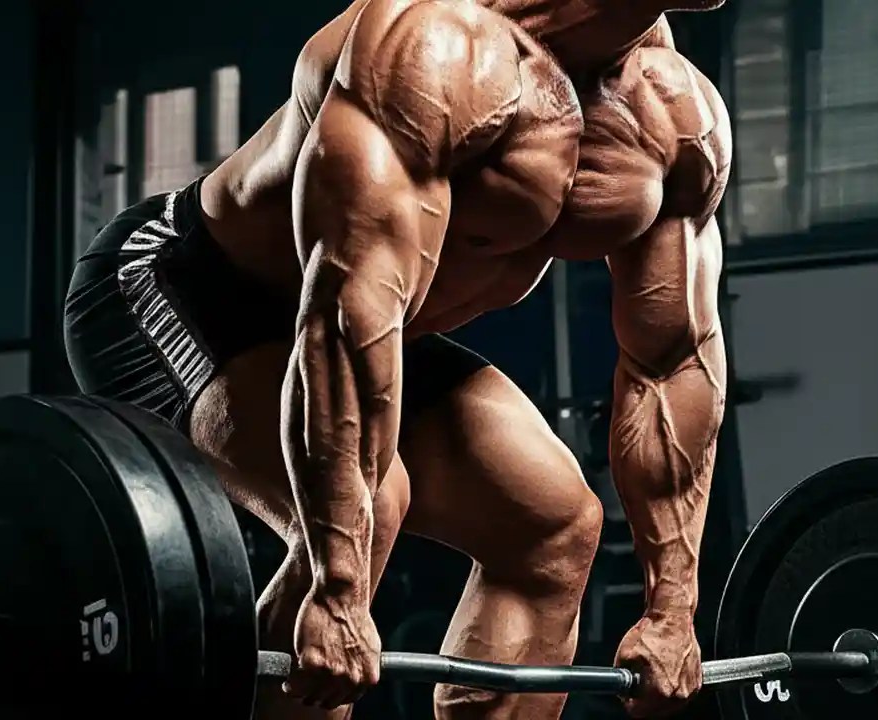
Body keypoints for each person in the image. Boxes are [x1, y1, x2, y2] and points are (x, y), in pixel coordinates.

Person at [63, 0, 731, 717]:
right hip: (181, 287)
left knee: (554, 524)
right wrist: (335, 591)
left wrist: (672, 612)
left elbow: (673, 363)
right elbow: (346, 314)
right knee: (368, 507)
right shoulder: (433, 49)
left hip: (369, 327)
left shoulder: (676, 117)